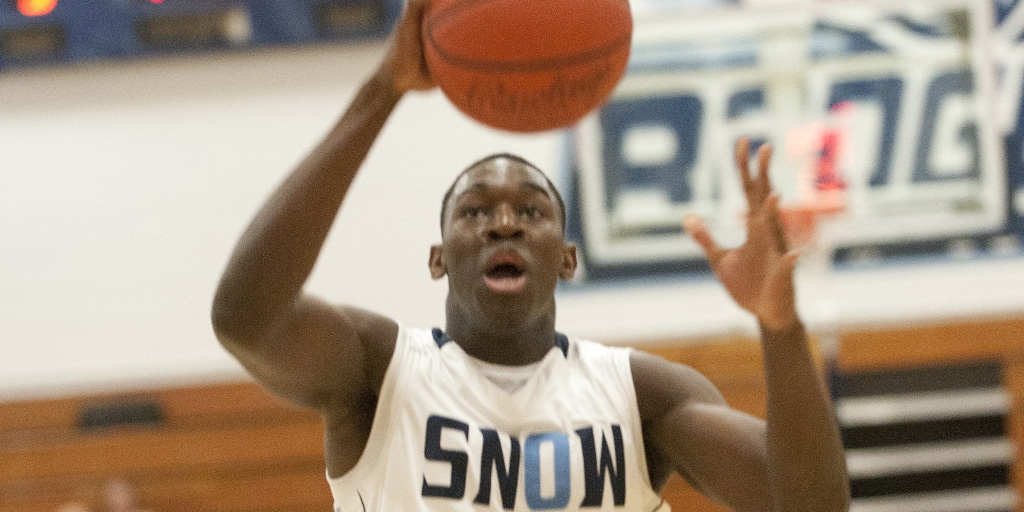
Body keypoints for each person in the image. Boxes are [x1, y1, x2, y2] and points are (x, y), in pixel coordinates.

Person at [210, 1, 851, 510]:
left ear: (567, 259)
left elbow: (812, 507)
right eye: (475, 211)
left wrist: (779, 327)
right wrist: (383, 89)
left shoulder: (642, 395)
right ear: (438, 258)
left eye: (533, 211)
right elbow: (247, 320)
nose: (504, 224)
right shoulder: (377, 376)